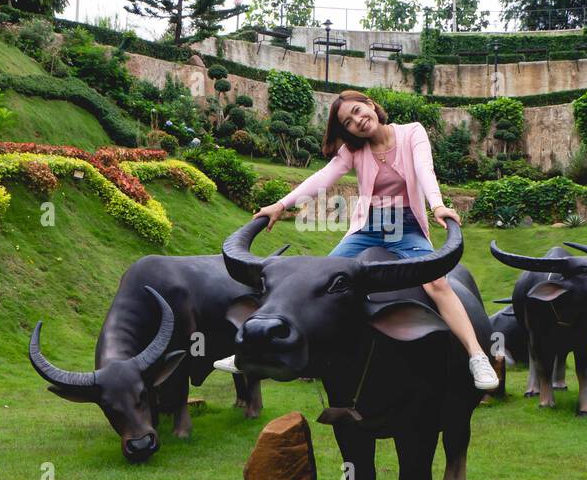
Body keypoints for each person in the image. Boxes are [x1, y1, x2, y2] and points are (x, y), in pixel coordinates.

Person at [214, 89, 499, 390]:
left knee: (437, 283)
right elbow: (322, 178)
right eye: (348, 122)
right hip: (367, 228)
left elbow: (424, 170)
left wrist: (437, 205)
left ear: (371, 105)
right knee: (318, 281)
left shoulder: (412, 132)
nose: (357, 121)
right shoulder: (354, 150)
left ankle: (476, 355)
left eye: (358, 111)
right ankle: (252, 347)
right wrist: (281, 205)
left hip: (406, 228)